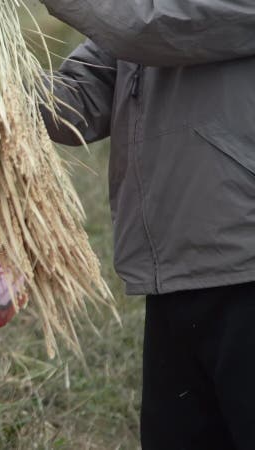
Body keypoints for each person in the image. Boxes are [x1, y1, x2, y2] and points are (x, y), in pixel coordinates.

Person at [39, 1, 255, 448]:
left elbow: (147, 26)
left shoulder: (153, 16)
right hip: (175, 273)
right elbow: (77, 100)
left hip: (244, 264)